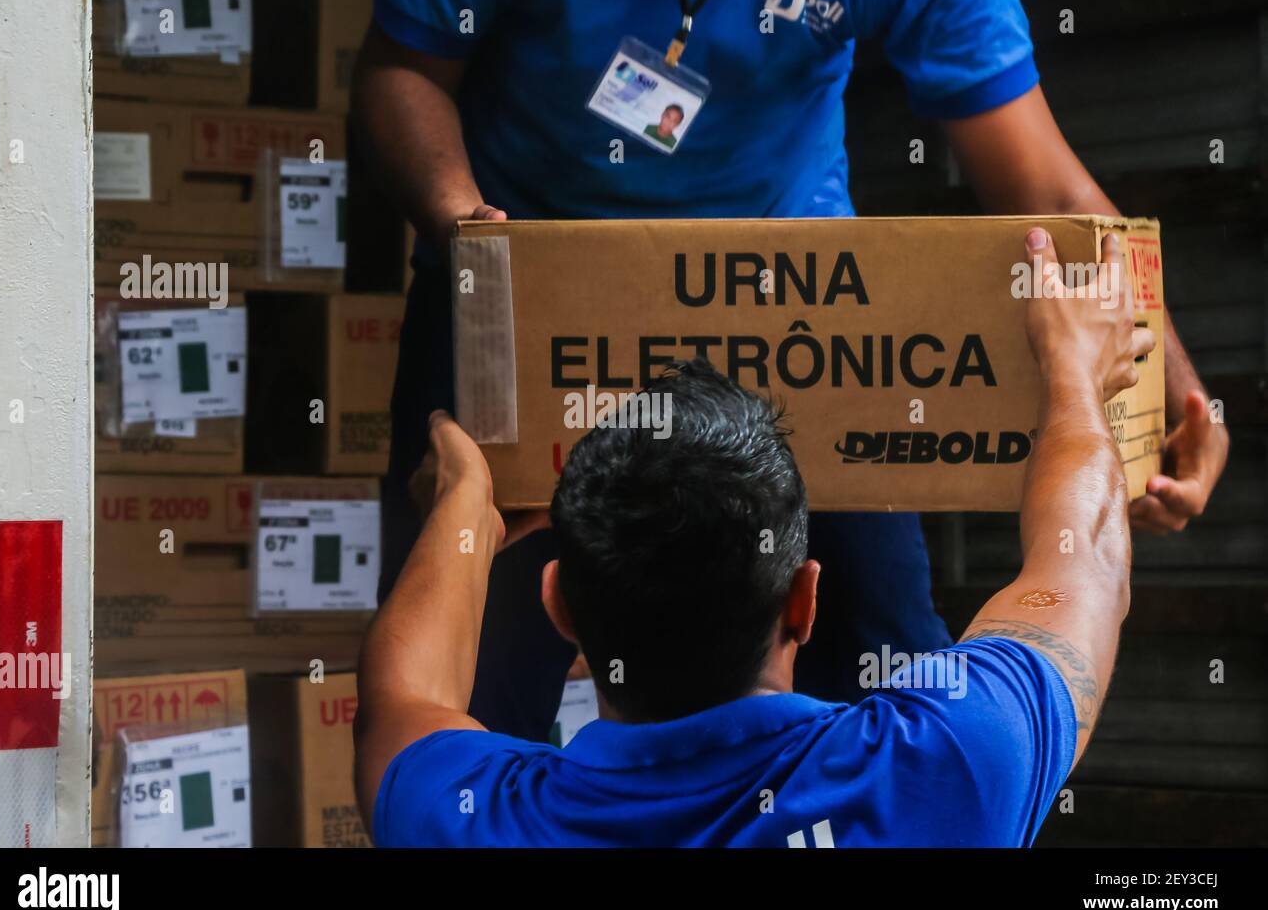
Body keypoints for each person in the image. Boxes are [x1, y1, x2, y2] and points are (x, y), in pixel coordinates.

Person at [354, 0, 1228, 740]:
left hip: (793, 320)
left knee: (890, 659)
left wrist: (1168, 386)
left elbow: (1046, 183)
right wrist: (465, 226)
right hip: (527, 307)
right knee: (471, 677)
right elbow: (402, 72)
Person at [355, 228, 1153, 846]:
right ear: (803, 601)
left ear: (558, 603)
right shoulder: (947, 764)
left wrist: (467, 500)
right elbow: (1086, 562)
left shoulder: (471, 817)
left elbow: (402, 697)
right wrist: (1075, 378)